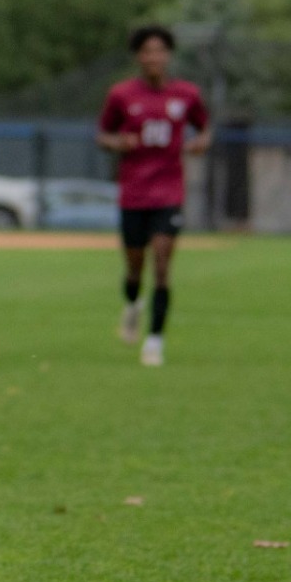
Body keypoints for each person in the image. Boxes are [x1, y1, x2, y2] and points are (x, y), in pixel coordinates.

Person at [97, 25, 211, 367]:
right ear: (138, 56)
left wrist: (201, 142)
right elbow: (103, 134)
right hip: (133, 192)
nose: (153, 57)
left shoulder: (186, 94)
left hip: (168, 191)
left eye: (159, 50)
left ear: (168, 55)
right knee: (135, 269)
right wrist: (119, 143)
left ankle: (155, 341)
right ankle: (133, 305)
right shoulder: (121, 95)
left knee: (162, 264)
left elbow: (205, 126)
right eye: (147, 51)